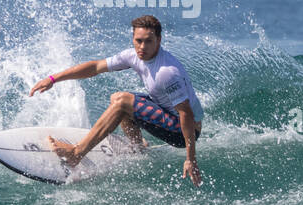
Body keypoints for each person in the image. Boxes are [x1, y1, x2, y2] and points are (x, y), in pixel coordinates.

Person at [29, 15, 203, 185]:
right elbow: (95, 67)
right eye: (138, 40)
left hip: (184, 131)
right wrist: (53, 79)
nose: (142, 46)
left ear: (159, 39)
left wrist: (191, 159)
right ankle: (138, 147)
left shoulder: (167, 72)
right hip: (169, 113)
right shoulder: (134, 56)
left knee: (122, 101)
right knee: (118, 99)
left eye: (148, 41)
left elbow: (185, 113)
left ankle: (76, 153)